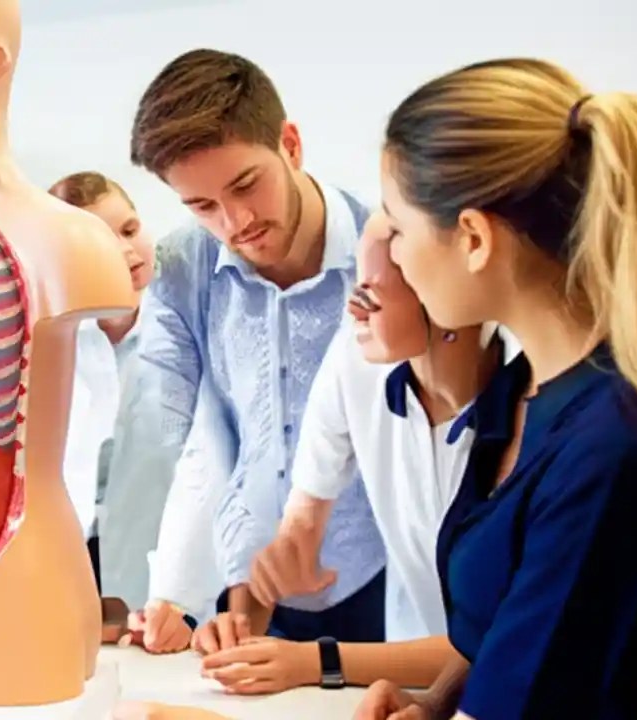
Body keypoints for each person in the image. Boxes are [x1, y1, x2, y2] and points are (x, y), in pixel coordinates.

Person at [353, 57, 637, 720]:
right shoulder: (517, 391)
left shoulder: (619, 447)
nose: (390, 255)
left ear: (475, 238)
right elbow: (517, 614)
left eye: (397, 228)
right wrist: (439, 701)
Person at [125, 48, 387, 653]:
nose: (235, 220)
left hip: (388, 577)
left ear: (289, 145)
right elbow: (185, 438)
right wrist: (174, 589)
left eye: (246, 184)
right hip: (248, 593)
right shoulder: (183, 269)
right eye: (201, 205)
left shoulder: (389, 256)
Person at [193, 212, 512, 696]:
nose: (353, 310)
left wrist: (314, 660)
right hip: (412, 691)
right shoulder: (354, 360)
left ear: (445, 295)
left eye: (370, 292)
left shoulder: (531, 410)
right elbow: (299, 528)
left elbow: (497, 640)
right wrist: (240, 618)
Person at [47, 171, 156, 593]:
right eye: (105, 244)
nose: (128, 251)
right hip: (73, 545)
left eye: (130, 229)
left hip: (157, 547)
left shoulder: (179, 325)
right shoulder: (55, 339)